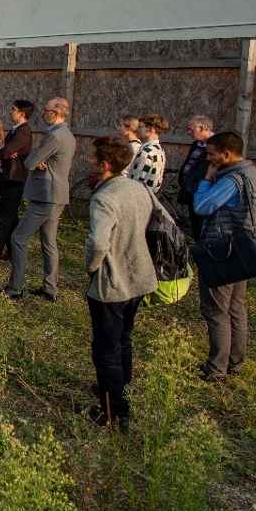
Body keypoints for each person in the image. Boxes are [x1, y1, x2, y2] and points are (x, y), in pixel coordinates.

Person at [83, 136, 158, 430]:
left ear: (104, 165)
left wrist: (90, 267)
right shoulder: (138, 188)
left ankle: (113, 411)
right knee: (124, 340)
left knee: (106, 348)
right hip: (139, 276)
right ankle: (120, 388)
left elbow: (98, 243)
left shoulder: (104, 197)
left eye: (92, 160)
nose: (88, 164)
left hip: (112, 283)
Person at [193, 131, 256, 381]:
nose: (209, 158)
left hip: (223, 254)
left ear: (226, 154)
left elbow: (202, 206)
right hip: (246, 252)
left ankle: (216, 369)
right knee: (236, 308)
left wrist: (206, 180)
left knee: (216, 310)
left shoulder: (232, 180)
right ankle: (235, 362)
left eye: (212, 154)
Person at [3, 97, 76, 301]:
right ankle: (50, 288)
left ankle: (15, 287)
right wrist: (38, 160)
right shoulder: (68, 135)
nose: (43, 112)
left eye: (47, 109)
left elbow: (30, 161)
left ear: (57, 112)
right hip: (58, 194)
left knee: (18, 238)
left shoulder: (54, 136)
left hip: (46, 195)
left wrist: (36, 158)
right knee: (49, 242)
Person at [0, 100, 34, 259]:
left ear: (22, 114)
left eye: (13, 109)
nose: (10, 112)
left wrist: (6, 150)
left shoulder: (23, 132)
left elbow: (4, 152)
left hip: (14, 179)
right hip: (8, 177)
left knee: (4, 217)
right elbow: (0, 149)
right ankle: (12, 251)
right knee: (10, 217)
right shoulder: (15, 130)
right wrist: (5, 149)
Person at [178, 115, 214, 239]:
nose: (189, 132)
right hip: (191, 192)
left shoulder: (215, 146)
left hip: (203, 192)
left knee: (202, 227)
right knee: (195, 225)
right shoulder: (196, 144)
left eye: (191, 129)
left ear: (203, 128)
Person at [127, 114, 169, 193]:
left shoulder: (146, 152)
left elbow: (136, 183)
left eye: (140, 127)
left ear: (150, 129)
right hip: (149, 197)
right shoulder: (160, 150)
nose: (137, 130)